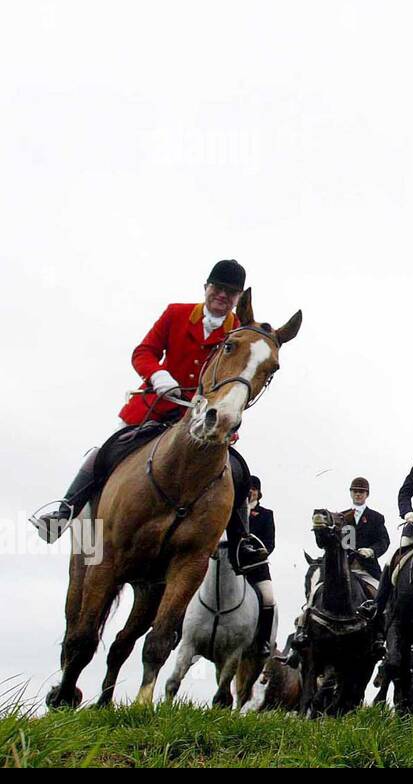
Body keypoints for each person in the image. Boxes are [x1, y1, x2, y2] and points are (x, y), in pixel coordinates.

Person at [32, 259, 263, 576]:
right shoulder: (176, 313)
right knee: (104, 453)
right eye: (218, 288)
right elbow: (143, 352)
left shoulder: (239, 331)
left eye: (231, 292)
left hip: (204, 420)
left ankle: (241, 542)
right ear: (206, 287)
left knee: (235, 471)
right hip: (155, 406)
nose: (223, 296)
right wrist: (158, 375)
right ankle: (64, 512)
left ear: (238, 298)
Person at [245, 476, 277, 657]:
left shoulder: (266, 514)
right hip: (232, 565)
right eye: (248, 488)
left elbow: (270, 543)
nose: (251, 492)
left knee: (268, 598)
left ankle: (263, 640)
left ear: (259, 492)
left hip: (257, 567)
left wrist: (258, 553)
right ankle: (178, 630)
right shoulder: (233, 511)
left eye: (254, 489)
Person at [342, 477, 389, 581]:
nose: (358, 494)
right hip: (344, 569)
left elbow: (384, 541)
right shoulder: (341, 517)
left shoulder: (376, 517)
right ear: (351, 493)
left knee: (383, 595)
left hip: (367, 570)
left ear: (367, 494)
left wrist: (372, 551)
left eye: (361, 492)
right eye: (355, 491)